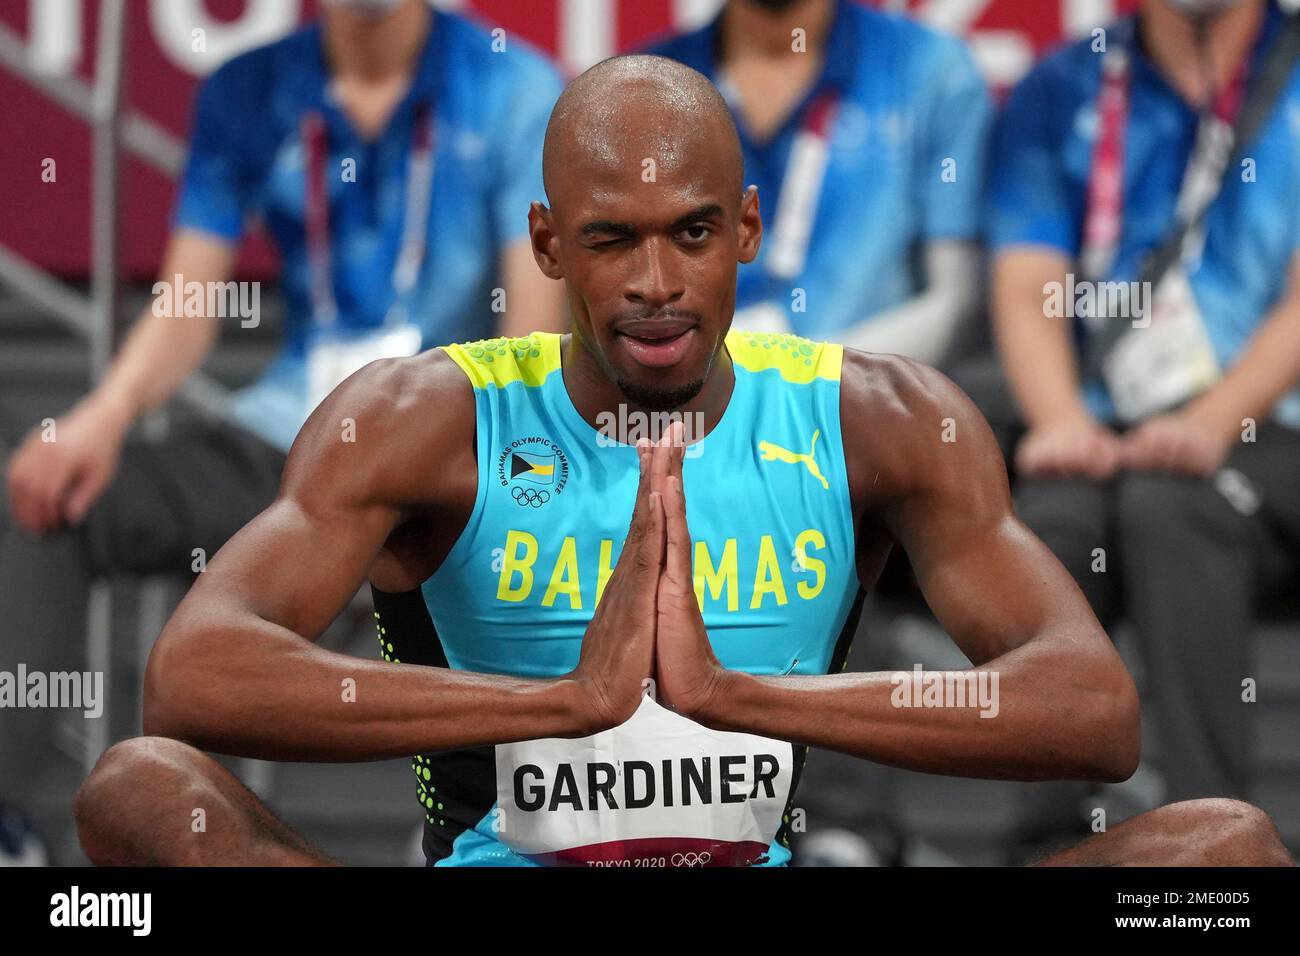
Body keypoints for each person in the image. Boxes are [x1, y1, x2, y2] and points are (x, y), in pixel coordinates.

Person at [73, 56, 1291, 867]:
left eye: (693, 234)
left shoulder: (875, 417)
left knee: (1222, 855)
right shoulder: (425, 416)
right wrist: (560, 702)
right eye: (612, 242)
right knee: (139, 794)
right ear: (548, 244)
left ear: (746, 230)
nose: (656, 285)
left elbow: (1093, 709)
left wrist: (742, 697)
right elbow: (193, 677)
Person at [0, 0, 563, 862]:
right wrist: (99, 418)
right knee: (53, 500)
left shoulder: (514, 87)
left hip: (442, 454)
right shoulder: (249, 90)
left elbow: (531, 337)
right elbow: (188, 306)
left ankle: (494, 833)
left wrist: (492, 469)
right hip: (285, 440)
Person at [988, 0, 1300, 825]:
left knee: (1172, 510)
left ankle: (1213, 838)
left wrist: (1213, 421)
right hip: (1103, 425)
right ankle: (1049, 842)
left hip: (1276, 429)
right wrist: (1058, 420)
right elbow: (1027, 286)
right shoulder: (1063, 86)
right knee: (1048, 528)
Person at [645, 0, 989, 367]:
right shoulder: (643, 86)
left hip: (862, 407)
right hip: (687, 405)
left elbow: (959, 302)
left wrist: (806, 385)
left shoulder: (930, 69)